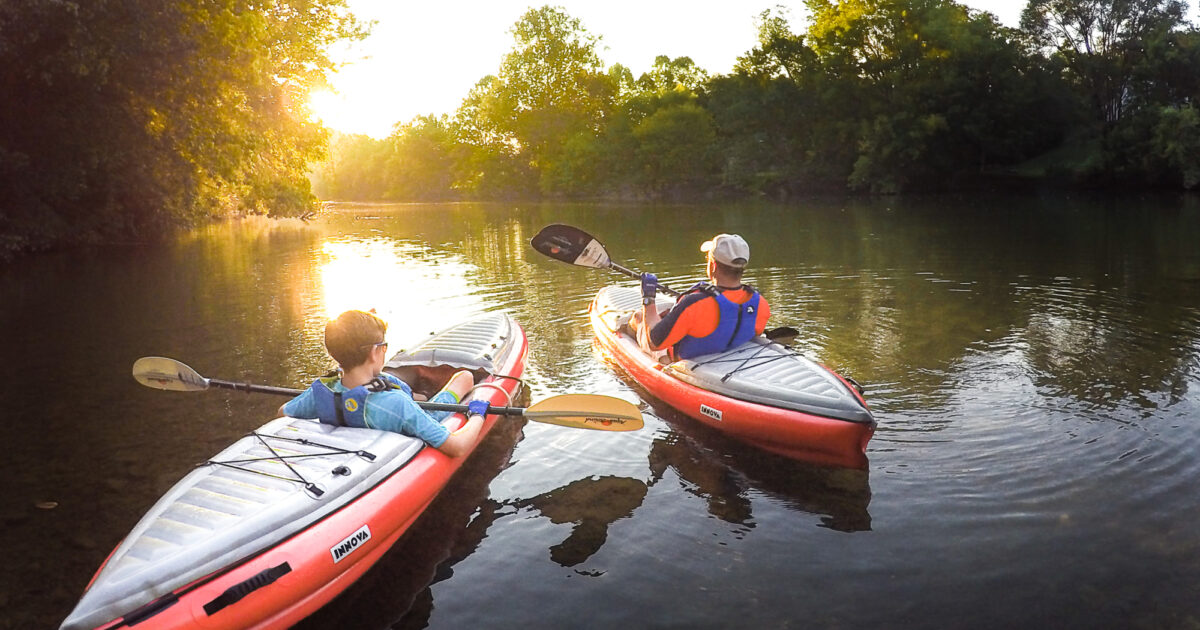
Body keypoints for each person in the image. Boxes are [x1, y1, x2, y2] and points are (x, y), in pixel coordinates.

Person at [278, 310, 490, 457]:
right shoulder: (395, 403)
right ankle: (425, 398)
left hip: (387, 417)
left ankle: (422, 397)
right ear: (374, 352)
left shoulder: (323, 391)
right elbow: (458, 447)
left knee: (405, 390)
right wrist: (477, 414)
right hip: (413, 419)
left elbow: (283, 413)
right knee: (465, 378)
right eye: (384, 346)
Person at [630, 233, 772, 361]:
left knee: (638, 317)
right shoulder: (760, 303)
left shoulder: (693, 304)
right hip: (730, 352)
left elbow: (655, 342)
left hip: (684, 361)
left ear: (713, 266)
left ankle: (660, 357)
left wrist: (648, 297)